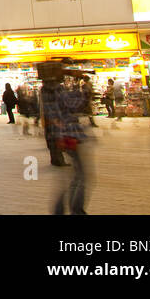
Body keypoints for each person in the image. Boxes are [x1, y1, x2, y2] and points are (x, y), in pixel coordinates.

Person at [43, 73, 89, 214]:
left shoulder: (46, 91)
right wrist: (82, 88)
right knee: (80, 175)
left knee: (68, 177)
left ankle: (60, 210)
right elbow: (75, 104)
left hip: (61, 135)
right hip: (70, 134)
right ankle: (75, 209)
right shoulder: (59, 91)